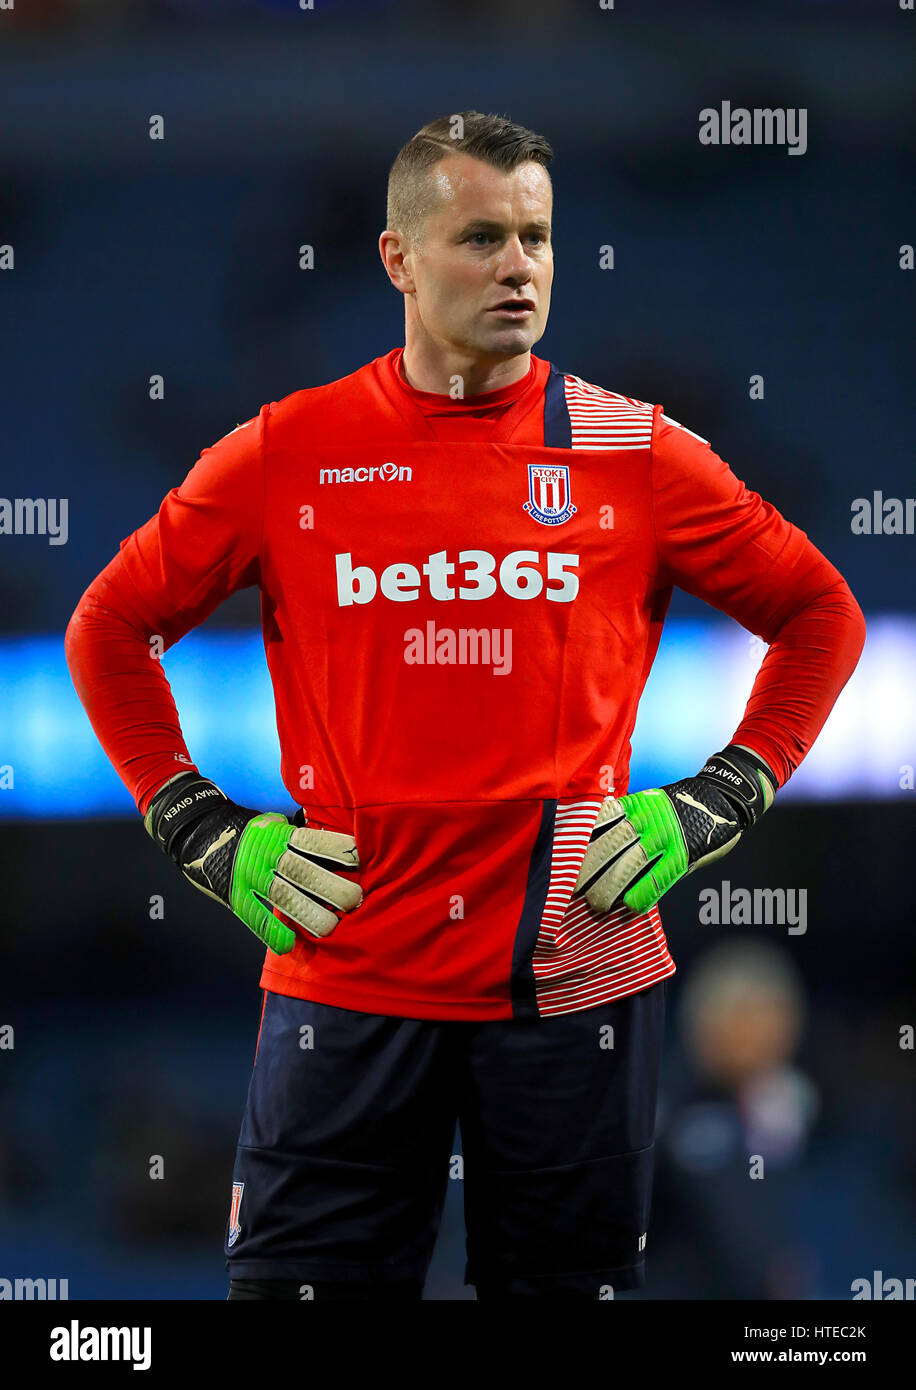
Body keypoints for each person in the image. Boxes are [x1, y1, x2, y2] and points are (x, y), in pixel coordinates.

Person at [64, 110, 865, 1301]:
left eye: (537, 238)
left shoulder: (626, 446)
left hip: (578, 976)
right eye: (482, 236)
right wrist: (196, 825)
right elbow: (107, 628)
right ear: (397, 258)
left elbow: (822, 614)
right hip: (346, 974)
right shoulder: (291, 450)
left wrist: (720, 796)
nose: (519, 267)